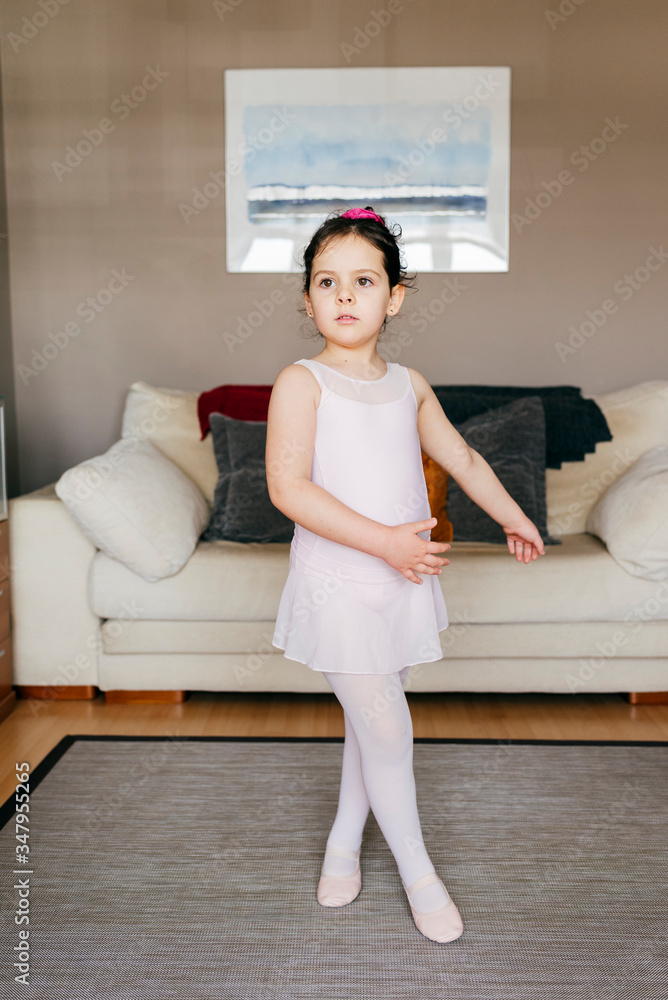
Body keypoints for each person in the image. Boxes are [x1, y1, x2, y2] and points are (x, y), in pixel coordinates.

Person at [265, 205, 545, 944]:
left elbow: (464, 460)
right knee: (389, 730)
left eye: (364, 280)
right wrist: (385, 542)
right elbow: (289, 490)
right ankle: (420, 874)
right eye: (328, 281)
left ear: (394, 296)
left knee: (371, 719)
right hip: (342, 583)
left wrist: (514, 515)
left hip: (402, 582)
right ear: (308, 298)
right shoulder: (301, 383)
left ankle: (339, 845)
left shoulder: (408, 384)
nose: (346, 295)